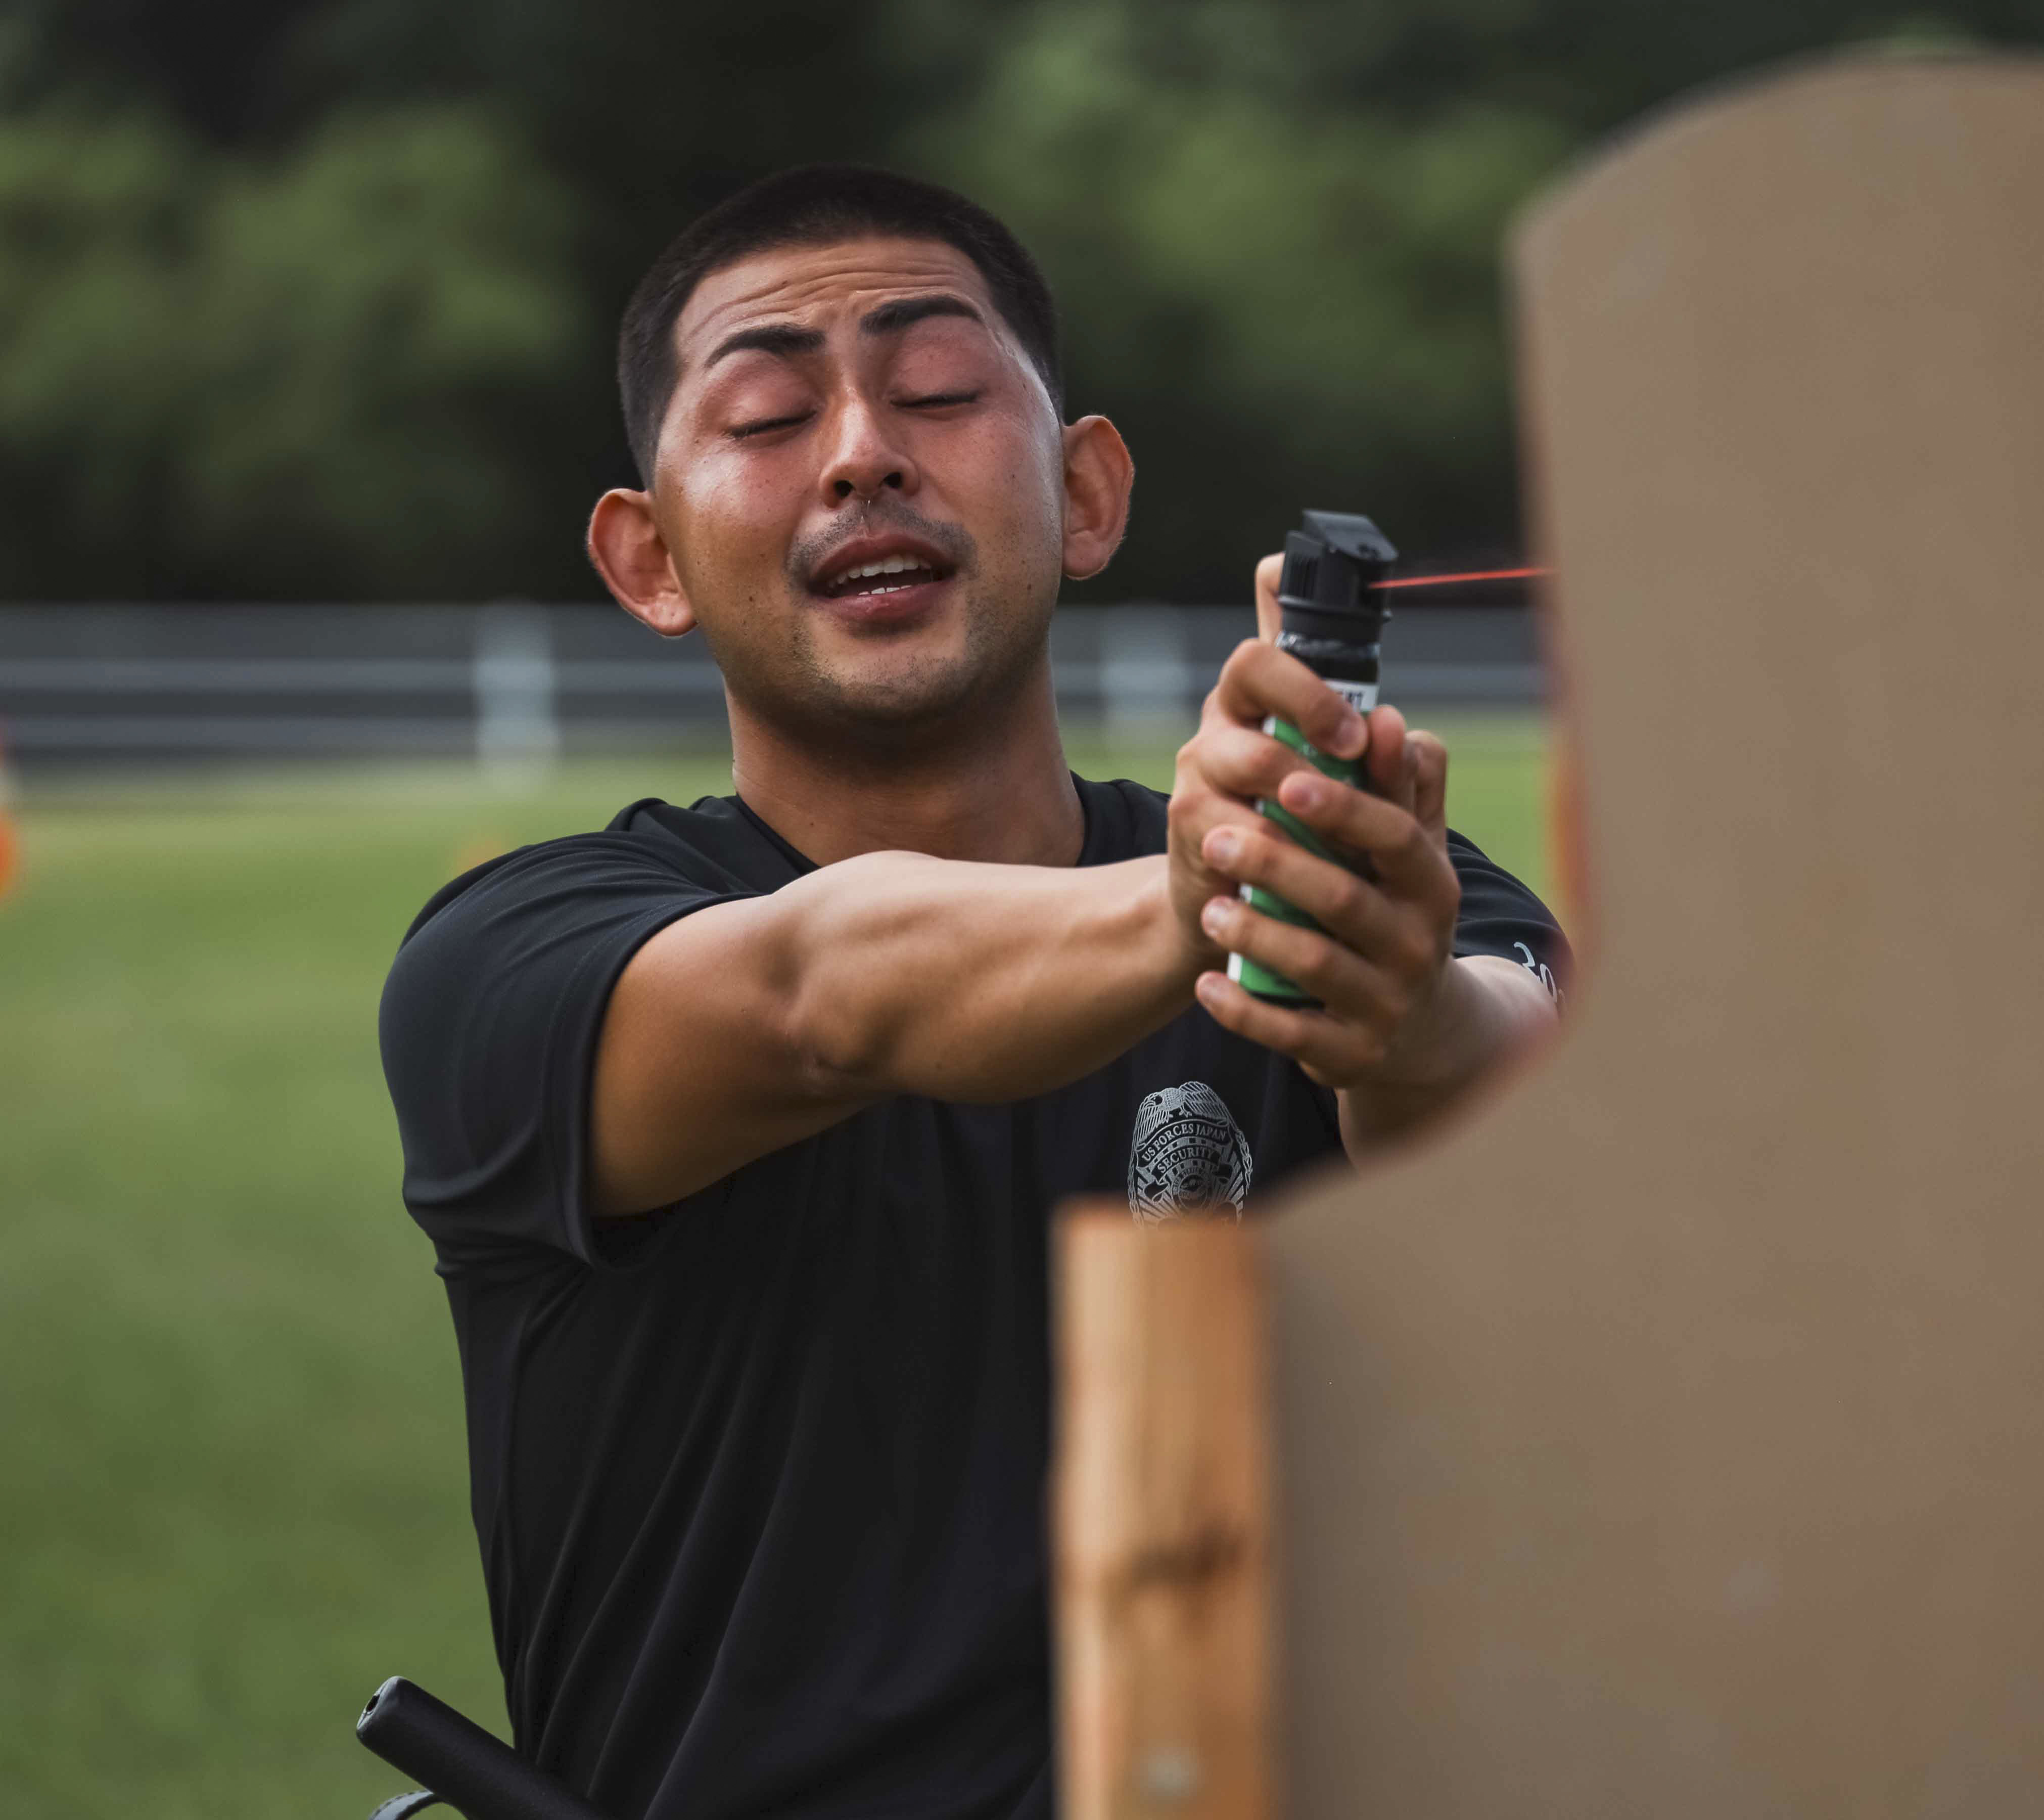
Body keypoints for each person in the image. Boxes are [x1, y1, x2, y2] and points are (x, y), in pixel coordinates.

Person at [376, 164, 1564, 1820]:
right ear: (646, 560)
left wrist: (1394, 1003)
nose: (865, 450)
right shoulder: (512, 959)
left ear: (1087, 495)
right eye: (768, 416)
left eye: (938, 390)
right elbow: (824, 990)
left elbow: (1539, 1100)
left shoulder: (1399, 903)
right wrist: (1211, 897)